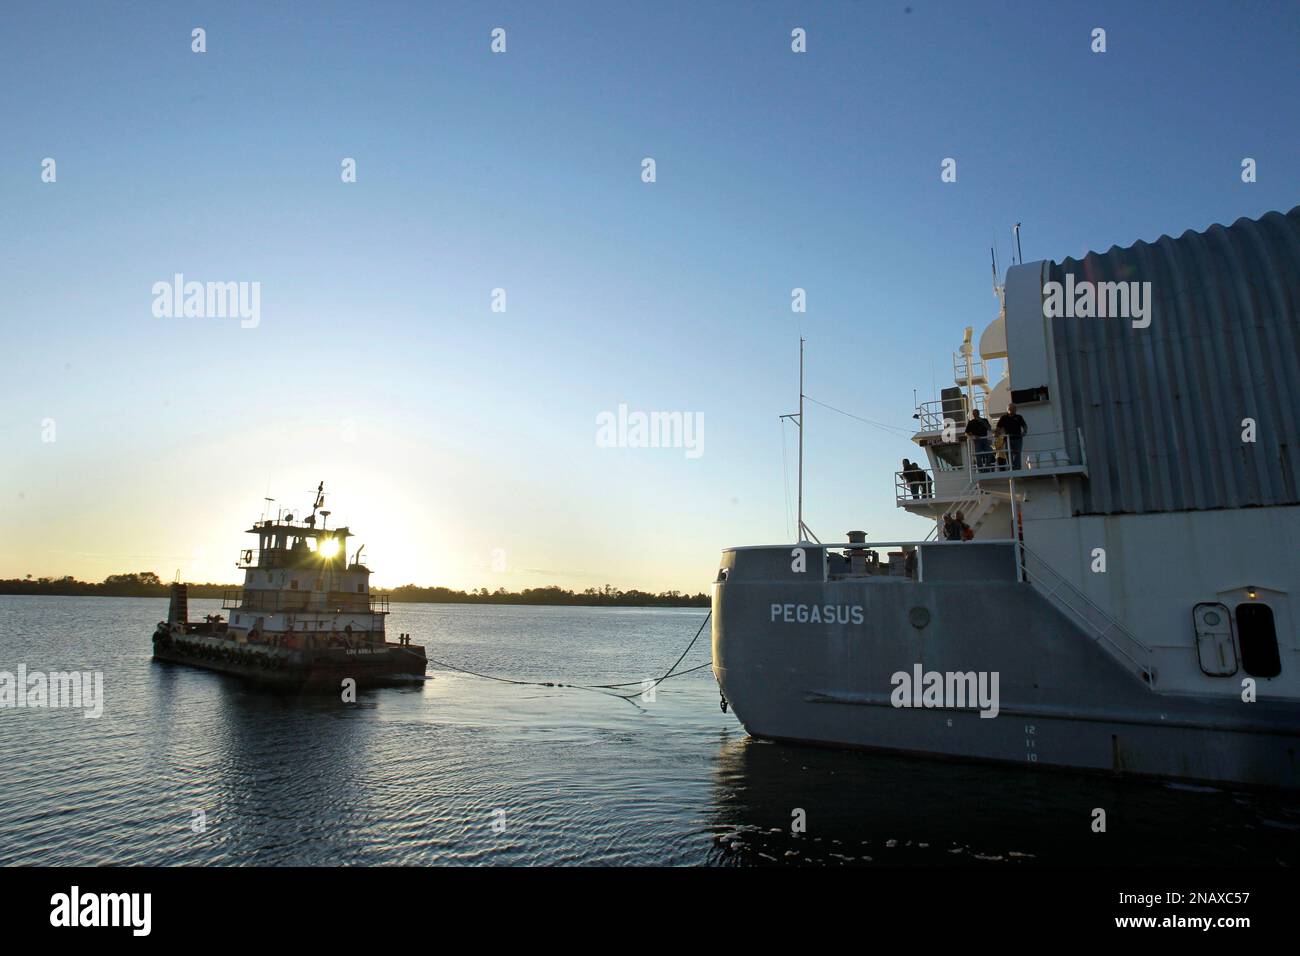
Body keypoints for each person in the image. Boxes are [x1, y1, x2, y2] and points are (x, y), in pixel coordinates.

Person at [995, 404, 1028, 470]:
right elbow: (998, 427)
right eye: (1011, 409)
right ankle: (1011, 467)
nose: (1013, 410)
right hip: (1007, 439)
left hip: (1017, 438)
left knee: (1017, 453)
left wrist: (1024, 432)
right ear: (1008, 410)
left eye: (1014, 409)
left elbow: (1024, 426)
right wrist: (997, 433)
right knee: (1008, 453)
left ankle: (1017, 468)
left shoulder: (1019, 417)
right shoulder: (1004, 417)